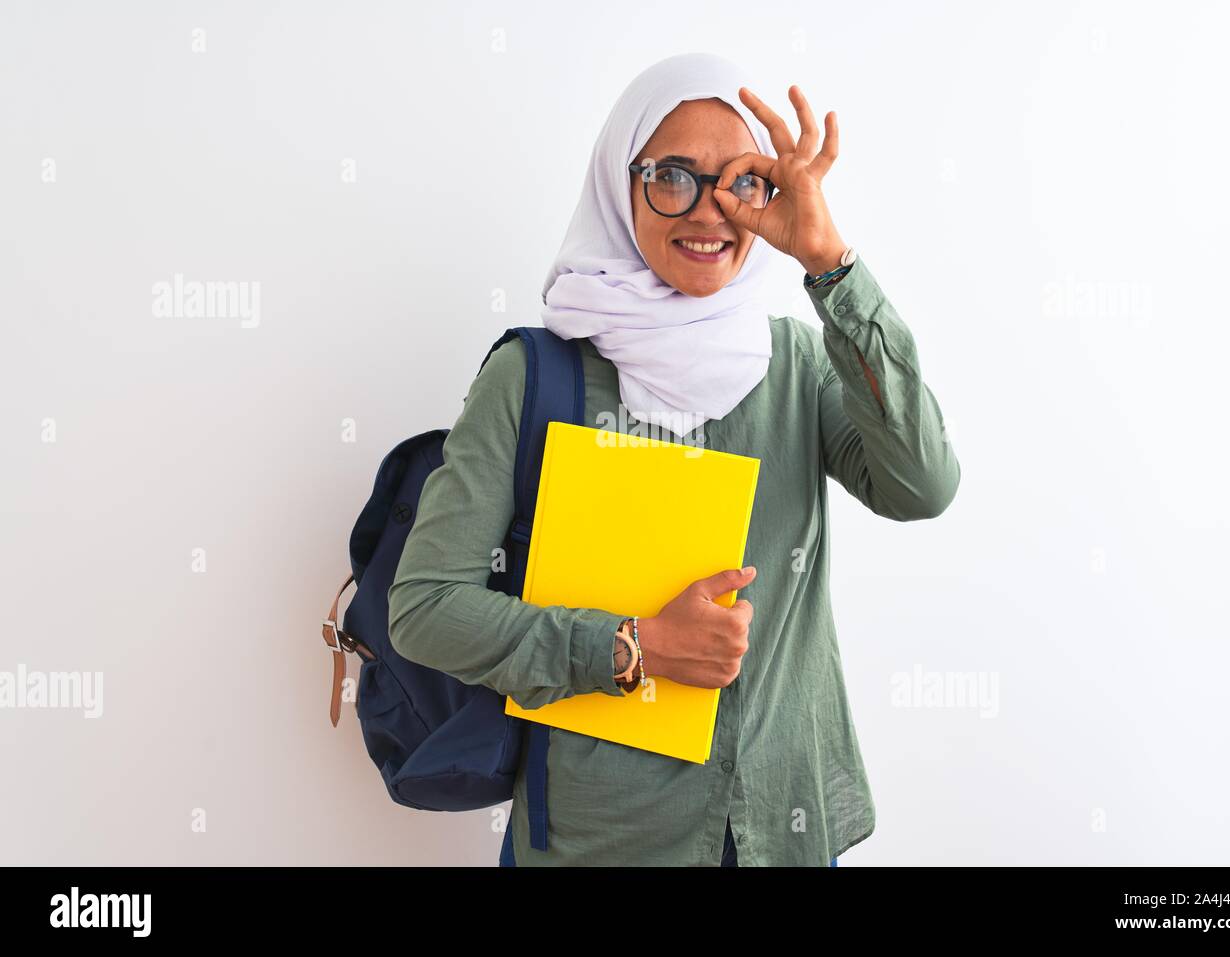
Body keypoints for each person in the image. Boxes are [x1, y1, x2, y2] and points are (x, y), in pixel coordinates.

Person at [388, 51, 960, 866]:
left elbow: (924, 483)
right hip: (602, 840)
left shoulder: (795, 362)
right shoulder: (535, 373)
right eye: (673, 176)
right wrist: (634, 645)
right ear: (619, 185)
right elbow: (425, 606)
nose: (709, 212)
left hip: (781, 831)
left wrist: (830, 264)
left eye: (742, 182)